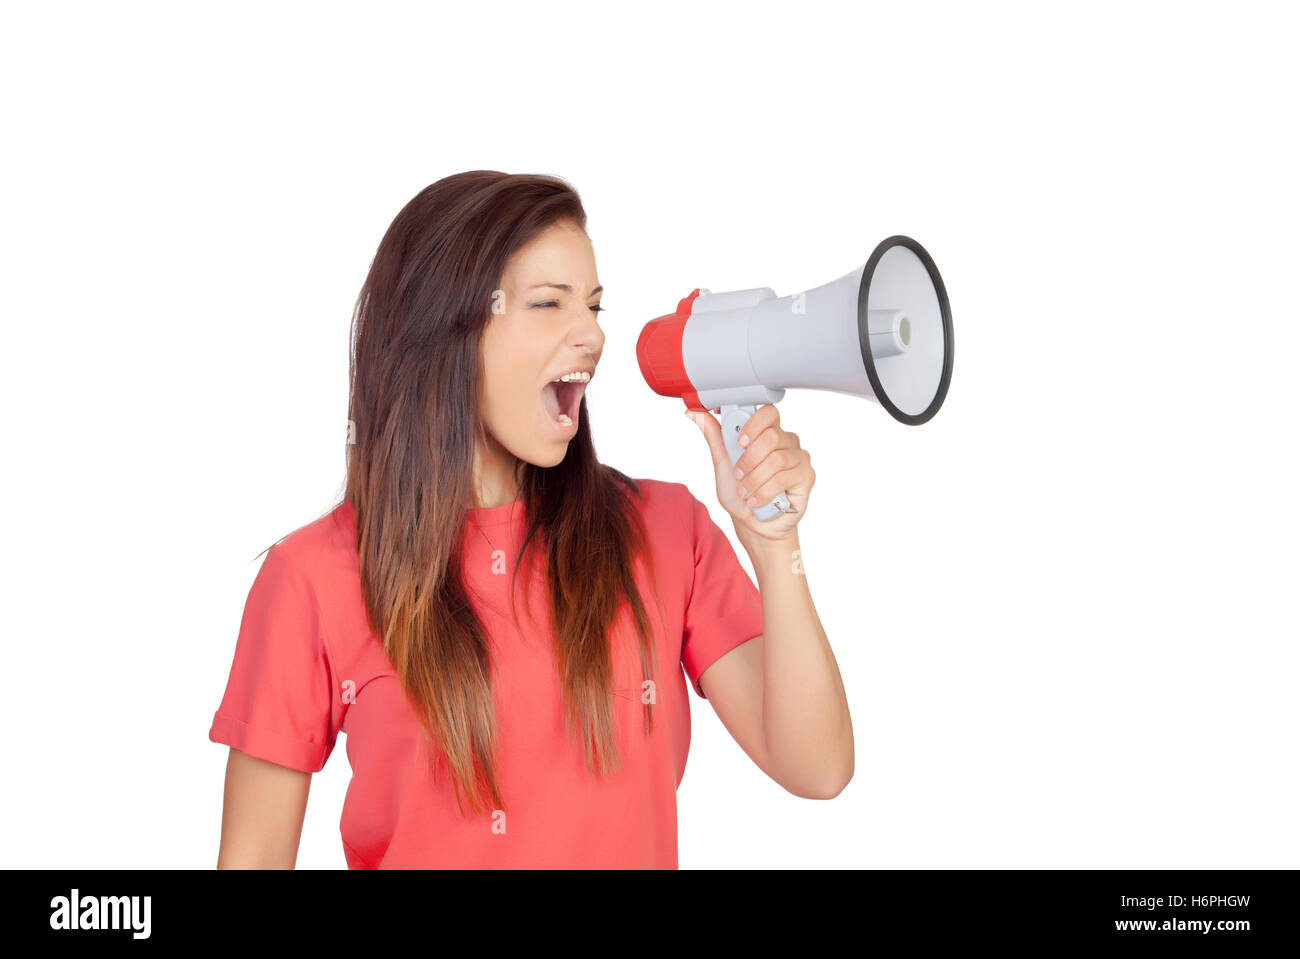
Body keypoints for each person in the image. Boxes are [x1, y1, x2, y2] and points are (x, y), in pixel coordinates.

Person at [209, 171, 852, 869]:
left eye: (597, 307)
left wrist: (773, 544)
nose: (593, 336)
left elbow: (817, 767)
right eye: (548, 303)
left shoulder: (667, 531)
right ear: (442, 330)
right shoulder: (311, 576)